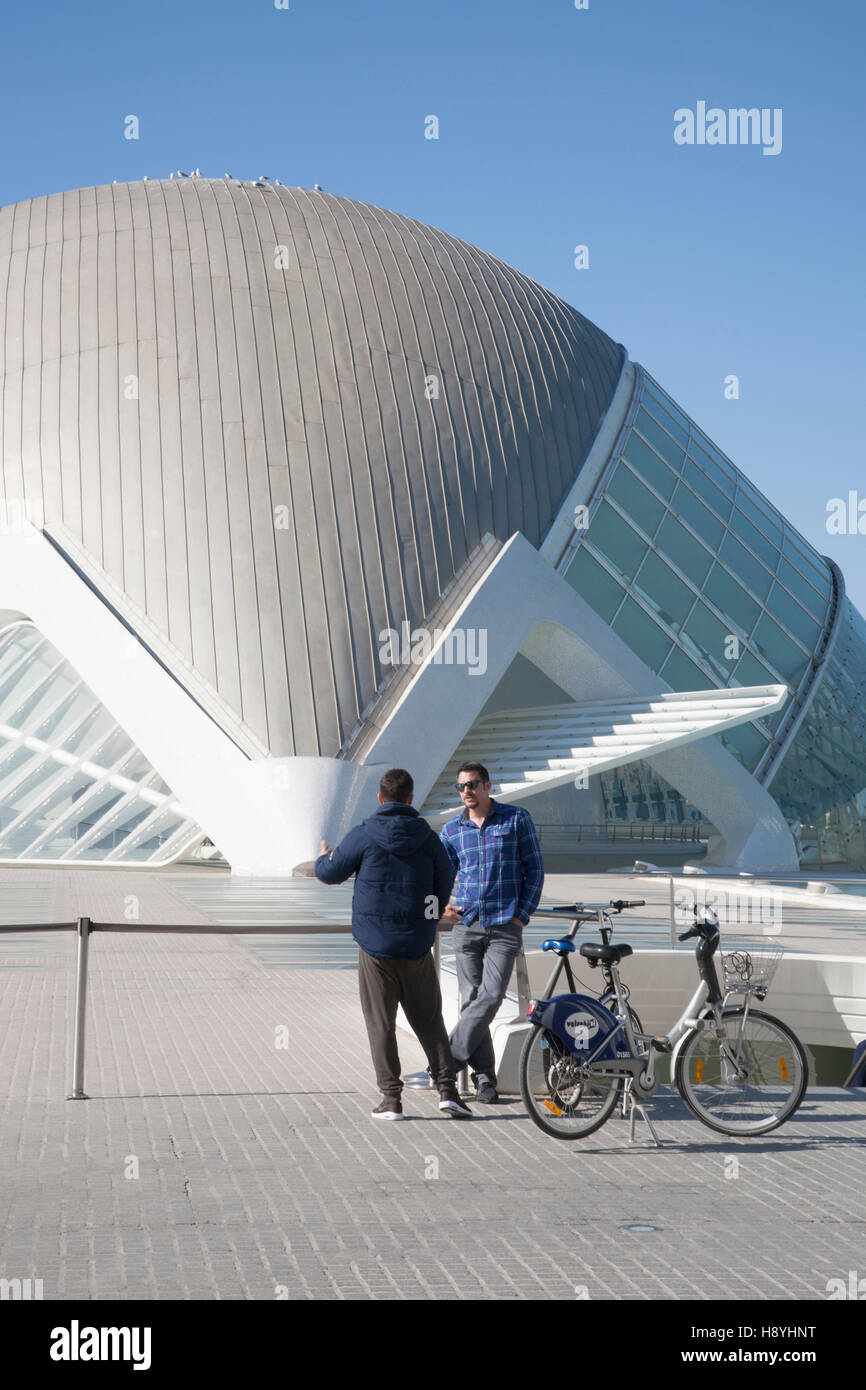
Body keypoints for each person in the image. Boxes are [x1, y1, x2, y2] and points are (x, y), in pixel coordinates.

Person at [315, 767, 472, 1121]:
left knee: (381, 1023)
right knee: (429, 1019)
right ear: (411, 798)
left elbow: (330, 873)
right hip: (417, 944)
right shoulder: (428, 837)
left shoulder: (365, 833)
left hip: (375, 948)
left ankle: (391, 1099)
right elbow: (445, 878)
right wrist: (428, 916)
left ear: (380, 798)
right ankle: (448, 1091)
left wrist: (324, 856)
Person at [440, 762, 544, 1104]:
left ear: (487, 786)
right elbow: (440, 875)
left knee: (491, 996)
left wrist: (522, 916)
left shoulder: (516, 819)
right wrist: (441, 906)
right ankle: (485, 1079)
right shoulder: (452, 829)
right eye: (461, 787)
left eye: (472, 785)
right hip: (466, 926)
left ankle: (447, 1062)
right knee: (472, 1002)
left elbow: (535, 869)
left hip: (504, 926)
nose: (466, 791)